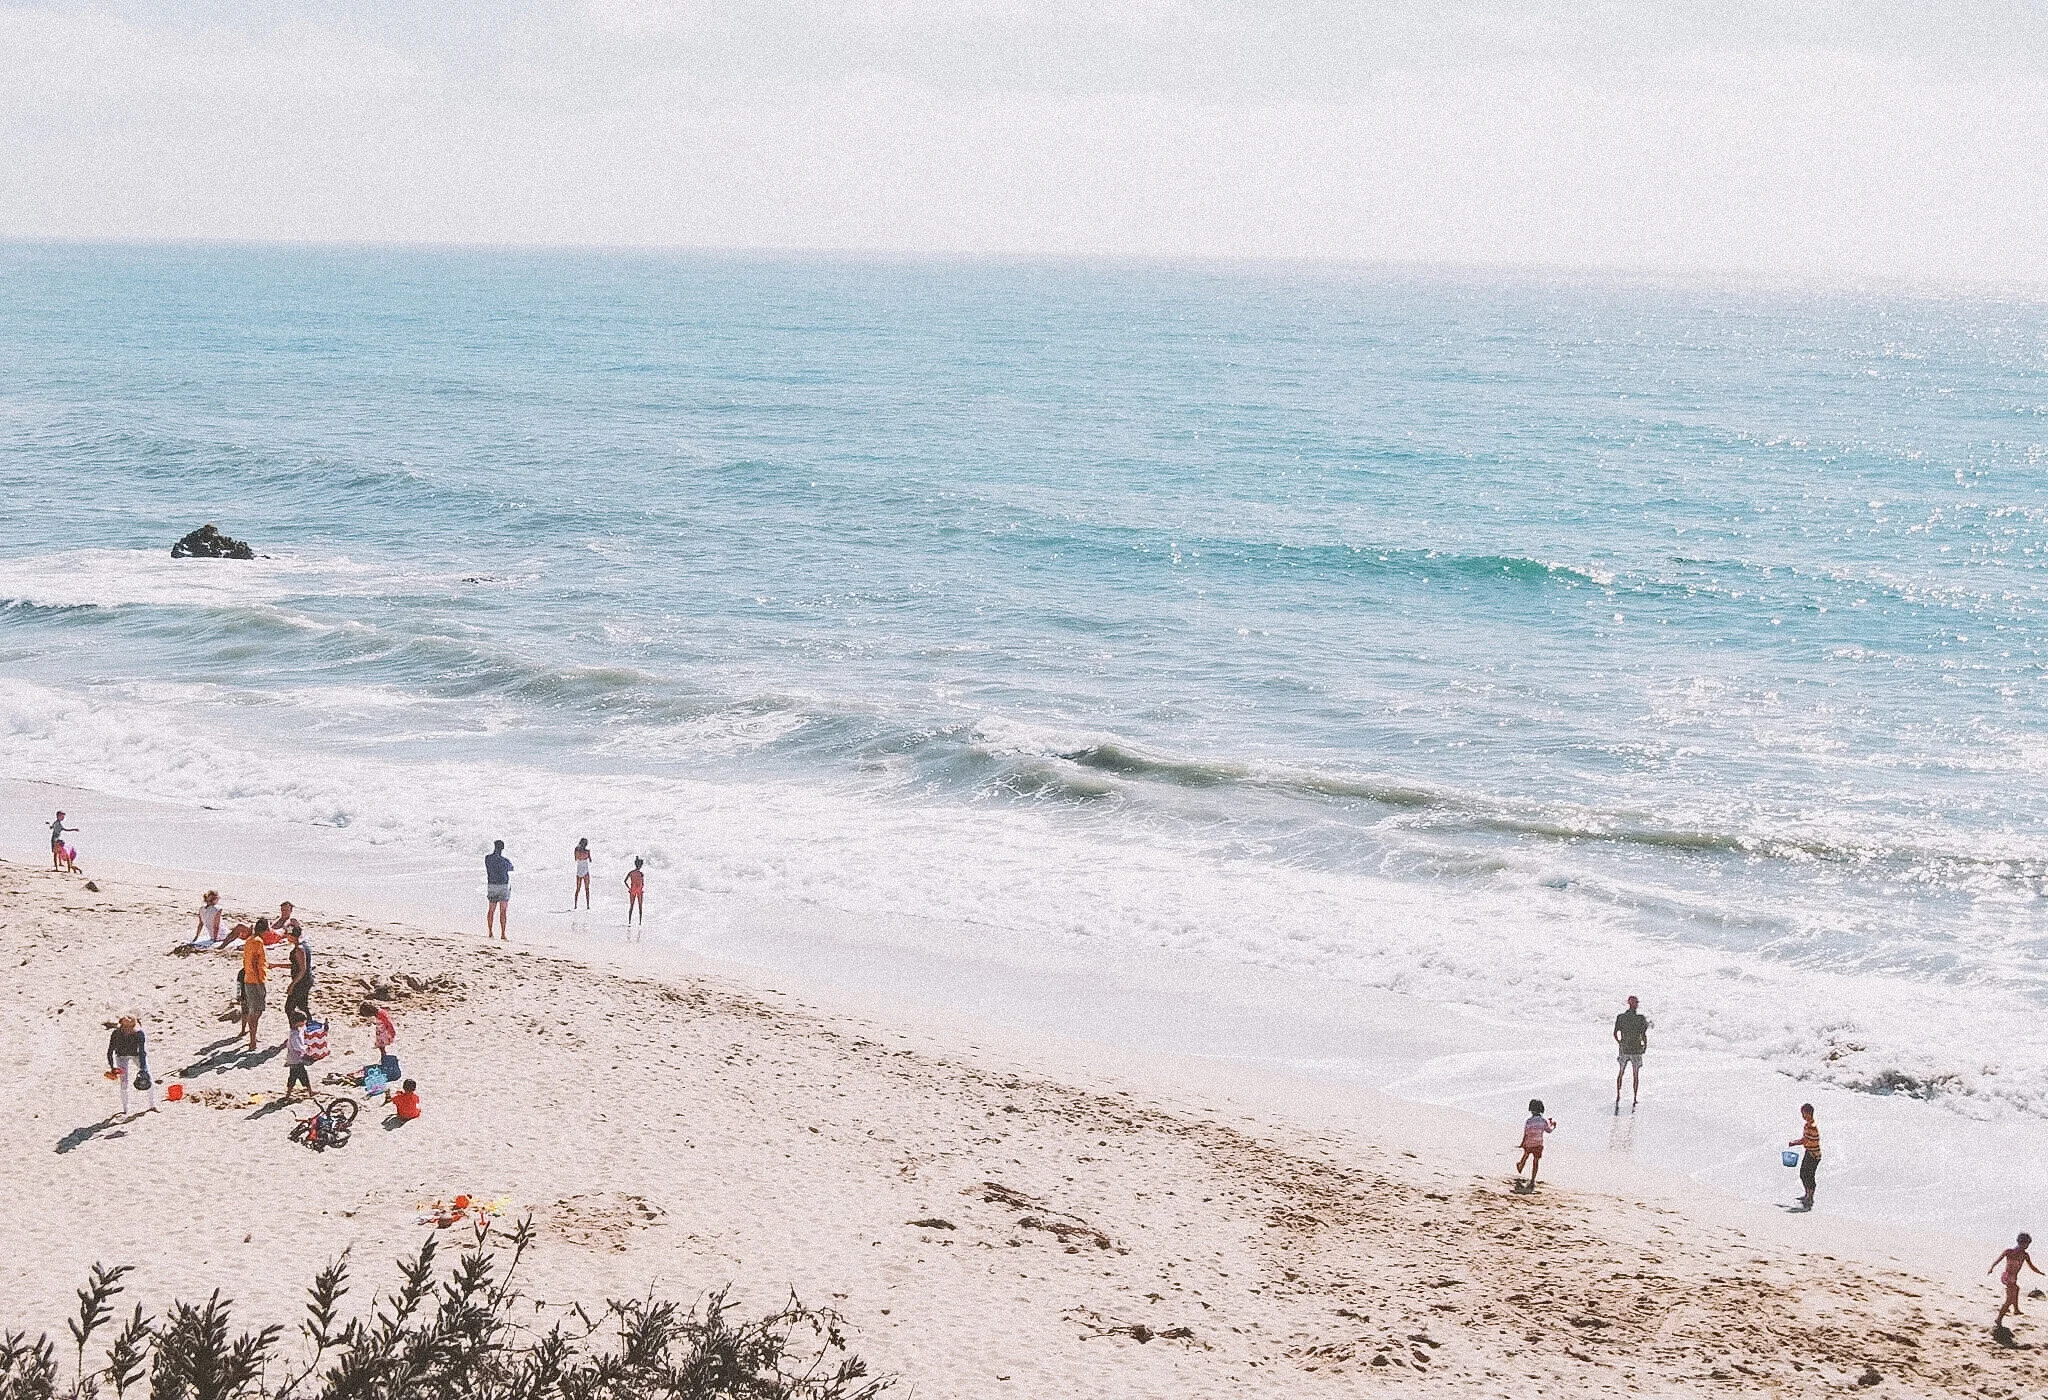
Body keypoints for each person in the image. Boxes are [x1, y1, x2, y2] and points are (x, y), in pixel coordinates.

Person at [105, 1015, 156, 1116]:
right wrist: (112, 1067)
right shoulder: (116, 1034)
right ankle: (125, 1109)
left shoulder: (139, 1034)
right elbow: (110, 1051)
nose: (130, 1030)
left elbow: (142, 1052)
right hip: (121, 1056)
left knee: (148, 1077)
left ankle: (152, 1105)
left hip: (136, 1055)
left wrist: (143, 1069)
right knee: (124, 1082)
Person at [1991, 1233, 2041, 1329]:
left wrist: (2039, 1272)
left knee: (2017, 1289)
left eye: (2027, 1244)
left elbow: (2031, 1266)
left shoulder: (2025, 1255)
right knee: (2009, 1300)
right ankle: (1999, 1319)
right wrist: (1992, 1268)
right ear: (2020, 1242)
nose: (2026, 1246)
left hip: (2014, 1278)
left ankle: (2016, 1309)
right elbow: (1998, 1260)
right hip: (2007, 1276)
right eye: (2025, 1244)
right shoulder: (2009, 1251)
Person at [239, 917, 272, 1050]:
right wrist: (259, 982)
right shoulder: (258, 942)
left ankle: (252, 1037)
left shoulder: (250, 940)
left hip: (248, 978)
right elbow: (254, 962)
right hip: (254, 980)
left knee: (252, 1010)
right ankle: (252, 1041)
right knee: (256, 1012)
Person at [1613, 995, 1650, 1110]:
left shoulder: (1621, 1017)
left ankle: (1618, 1095)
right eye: (1636, 1002)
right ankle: (1634, 1097)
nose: (1637, 1004)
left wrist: (1620, 1043)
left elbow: (1615, 1033)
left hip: (1624, 1049)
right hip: (1636, 1049)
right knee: (1635, 1075)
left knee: (1621, 1072)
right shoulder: (1640, 1018)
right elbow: (1643, 1034)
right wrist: (1645, 1046)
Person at [1516, 1099, 1557, 1186]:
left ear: (1530, 1109)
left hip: (1529, 1143)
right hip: (1538, 1144)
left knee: (1525, 1155)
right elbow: (1548, 1130)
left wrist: (1522, 1143)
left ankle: (1520, 1166)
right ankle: (1533, 1179)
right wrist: (1553, 1125)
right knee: (1536, 1161)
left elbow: (1526, 1134)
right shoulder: (1543, 1121)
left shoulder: (1529, 1121)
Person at [1788, 1103, 1822, 1209]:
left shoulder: (1811, 1126)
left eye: (1803, 1113)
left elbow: (1805, 1140)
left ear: (1808, 1113)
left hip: (1814, 1155)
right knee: (1803, 1173)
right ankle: (1807, 1194)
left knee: (1808, 1175)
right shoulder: (1808, 1125)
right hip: (1809, 1152)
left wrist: (1794, 1143)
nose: (1802, 1116)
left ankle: (1810, 1197)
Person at [284, 927, 315, 1019]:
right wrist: (276, 965)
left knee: (289, 1007)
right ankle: (309, 1025)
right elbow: (296, 965)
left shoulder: (299, 949)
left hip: (302, 982)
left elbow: (302, 970)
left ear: (292, 936)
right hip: (305, 980)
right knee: (302, 1006)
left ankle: (297, 1025)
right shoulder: (303, 945)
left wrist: (292, 985)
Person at [484, 840, 512, 939]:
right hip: (503, 885)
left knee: (491, 909)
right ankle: (503, 934)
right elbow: (511, 868)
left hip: (492, 885)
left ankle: (490, 932)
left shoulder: (488, 858)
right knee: (503, 911)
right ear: (502, 848)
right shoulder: (504, 861)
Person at [283, 1009, 313, 1100]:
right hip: (296, 1060)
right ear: (297, 1022)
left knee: (293, 1076)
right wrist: (306, 1049)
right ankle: (310, 1092)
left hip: (293, 1059)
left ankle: (288, 1093)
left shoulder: (295, 1031)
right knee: (302, 1076)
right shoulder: (294, 1034)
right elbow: (297, 1047)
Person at [625, 857, 645, 924]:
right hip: (639, 891)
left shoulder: (631, 872)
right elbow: (642, 883)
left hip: (633, 890)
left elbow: (625, 881)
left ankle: (630, 921)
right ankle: (640, 922)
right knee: (640, 906)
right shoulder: (641, 874)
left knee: (631, 906)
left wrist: (629, 888)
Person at [573, 838, 592, 909]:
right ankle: (587, 905)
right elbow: (590, 860)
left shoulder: (577, 851)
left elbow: (576, 858)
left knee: (578, 889)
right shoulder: (586, 852)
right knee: (586, 889)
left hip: (580, 870)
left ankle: (576, 905)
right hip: (585, 870)